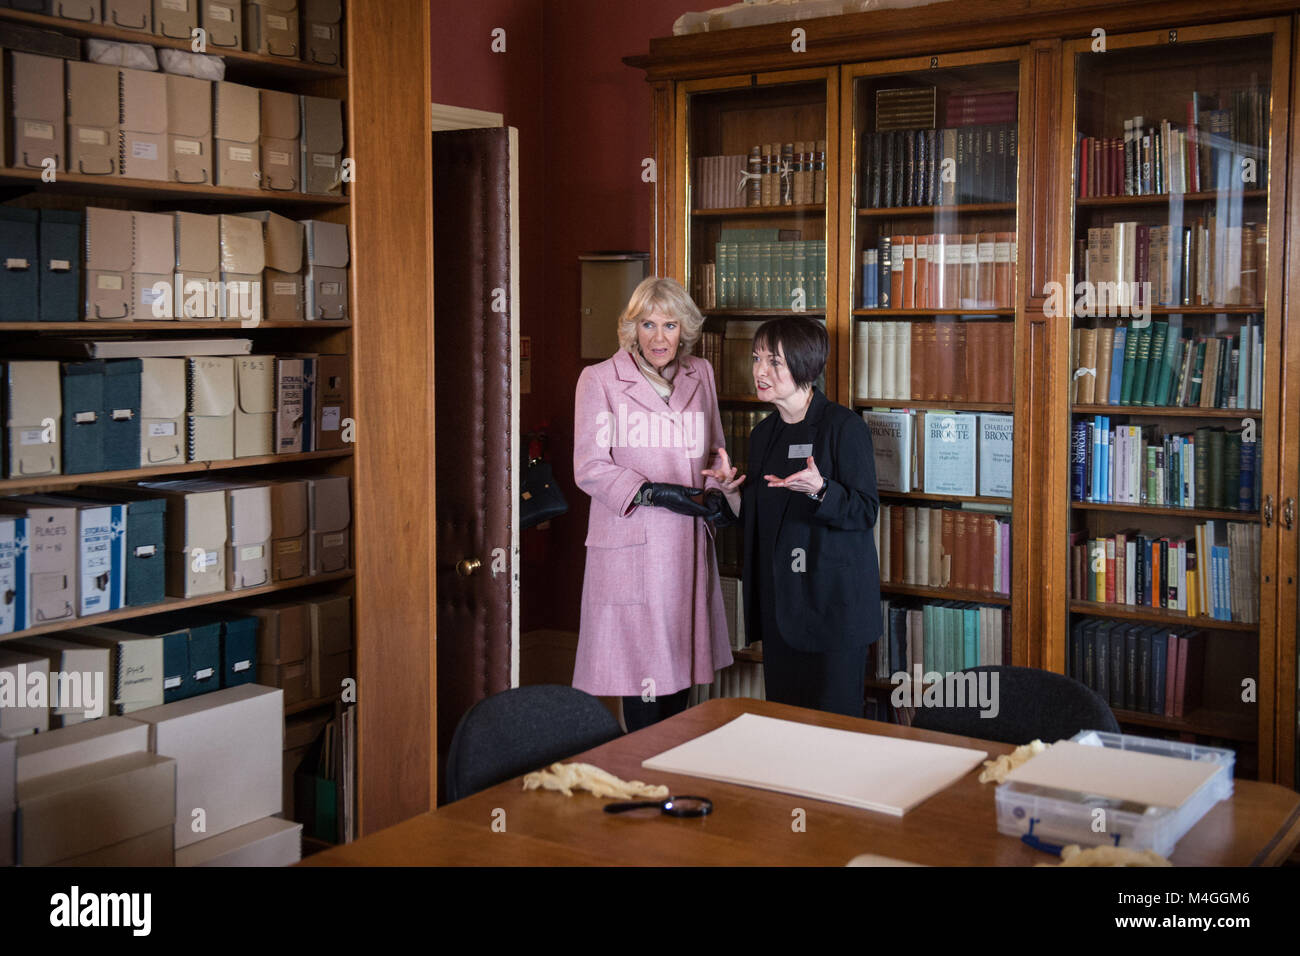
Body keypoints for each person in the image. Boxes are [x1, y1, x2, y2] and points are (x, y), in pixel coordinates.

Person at [572, 276, 736, 732]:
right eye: (648, 324)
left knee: (681, 669)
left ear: (684, 329)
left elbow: (715, 451)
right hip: (632, 547)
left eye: (669, 325)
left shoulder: (700, 373)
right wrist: (653, 492)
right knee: (642, 673)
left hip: (686, 544)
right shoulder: (600, 380)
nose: (659, 337)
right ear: (632, 329)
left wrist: (720, 488)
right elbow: (589, 466)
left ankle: (667, 767)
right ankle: (641, 765)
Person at [703, 316, 881, 717]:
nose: (760, 371)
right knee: (785, 726)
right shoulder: (763, 435)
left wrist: (821, 489)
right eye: (756, 359)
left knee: (833, 732)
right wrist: (731, 494)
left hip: (833, 611)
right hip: (781, 610)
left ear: (805, 366)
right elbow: (760, 521)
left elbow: (865, 510)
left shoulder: (844, 427)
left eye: (774, 362)